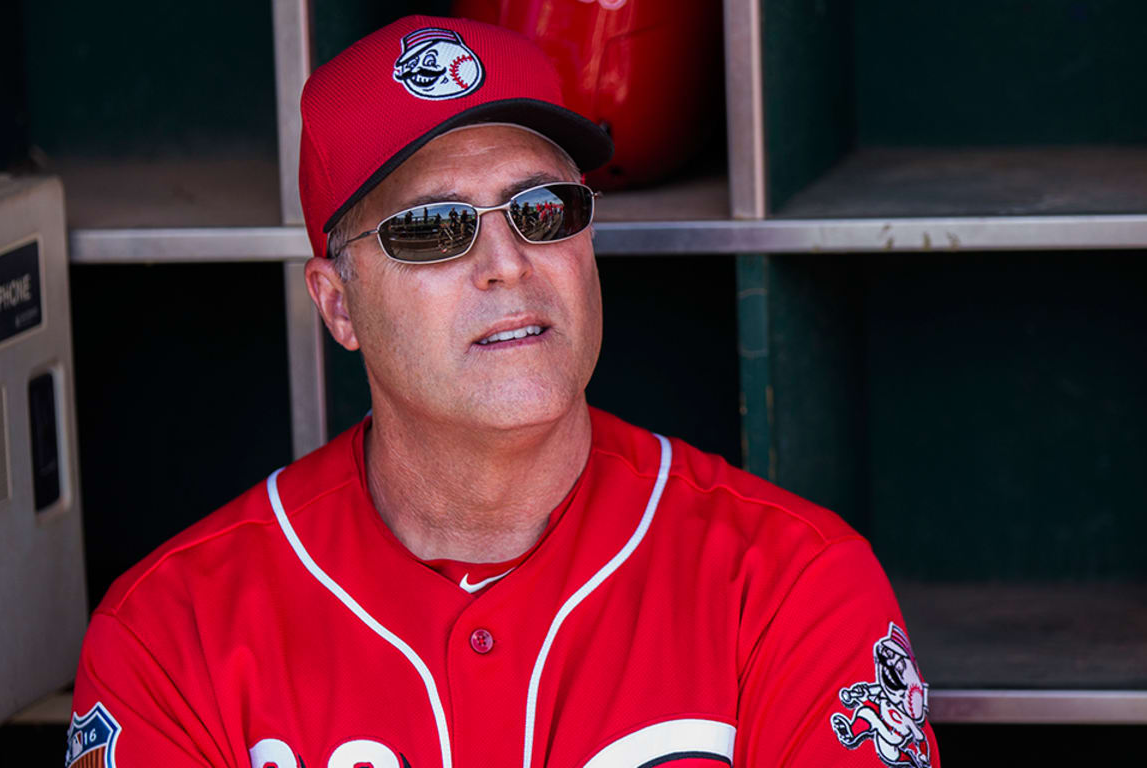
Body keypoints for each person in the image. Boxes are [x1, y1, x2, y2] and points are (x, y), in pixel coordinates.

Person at [66, 15, 939, 768]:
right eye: (432, 229)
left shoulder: (788, 587)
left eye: (542, 209)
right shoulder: (171, 638)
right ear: (339, 305)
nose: (507, 264)